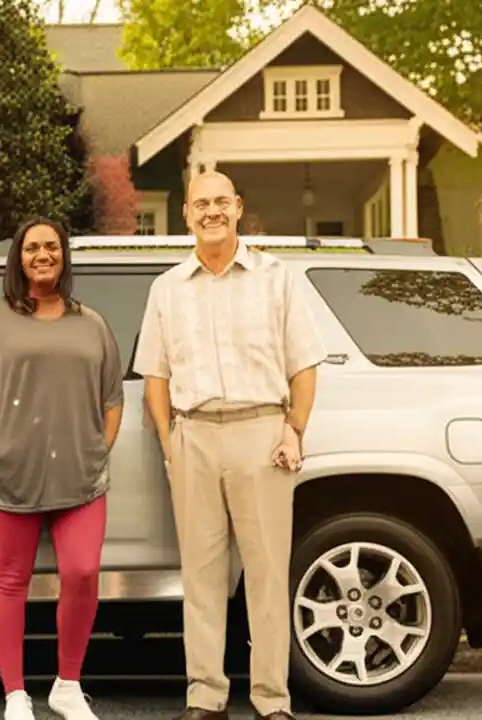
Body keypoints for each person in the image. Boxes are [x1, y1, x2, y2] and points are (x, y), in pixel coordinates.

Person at [132, 171, 327, 720]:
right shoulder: (167, 288)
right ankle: (206, 697)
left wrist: (294, 428)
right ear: (187, 215)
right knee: (201, 574)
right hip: (193, 435)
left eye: (221, 201)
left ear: (238, 207)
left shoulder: (275, 279)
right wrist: (171, 444)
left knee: (267, 574)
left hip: (261, 433)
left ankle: (272, 701)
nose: (211, 211)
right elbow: (155, 376)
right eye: (201, 204)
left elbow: (303, 363)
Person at [0, 217, 125, 720]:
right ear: (19, 258)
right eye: (33, 248)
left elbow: (112, 397)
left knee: (82, 573)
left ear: (64, 256)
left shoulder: (90, 322)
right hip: (11, 478)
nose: (43, 254)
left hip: (82, 478)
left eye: (52, 246)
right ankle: (15, 694)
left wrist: (100, 447)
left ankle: (67, 686)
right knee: (9, 581)